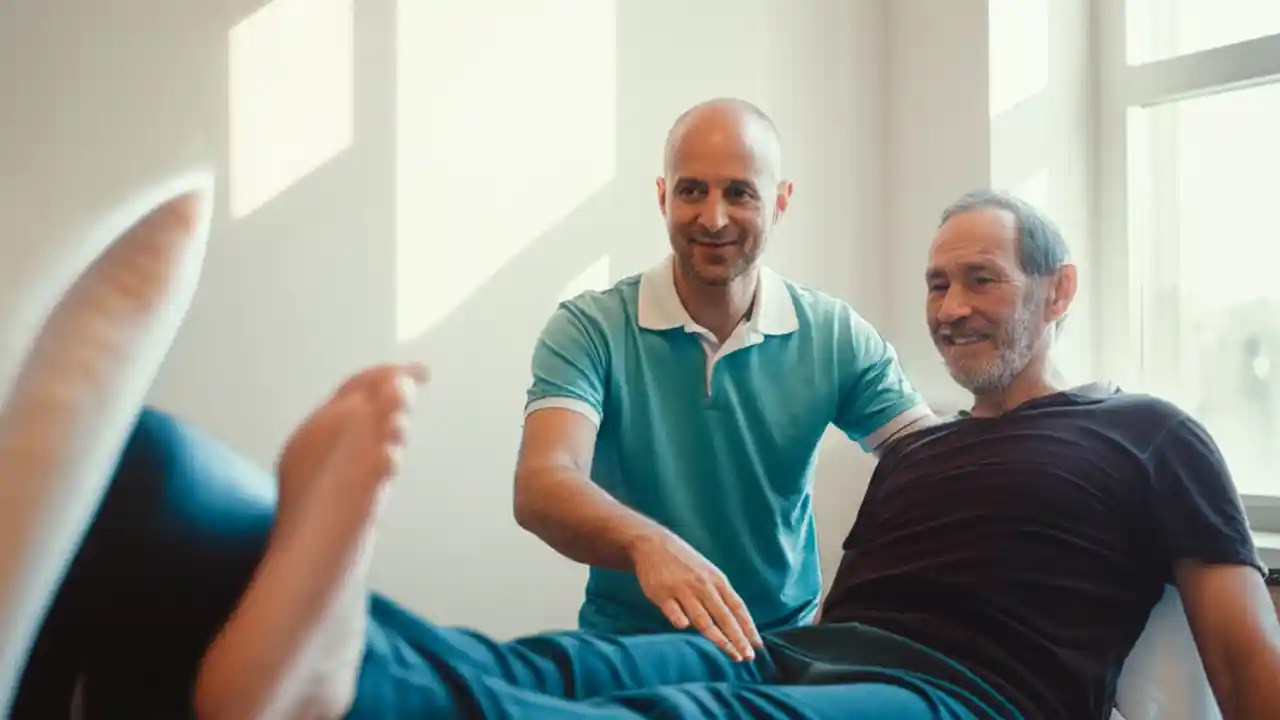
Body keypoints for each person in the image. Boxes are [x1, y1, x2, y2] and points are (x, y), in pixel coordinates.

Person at [13, 190, 1280, 719]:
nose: (947, 309)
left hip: (960, 699)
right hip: (801, 649)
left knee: (692, 718)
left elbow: (1242, 661)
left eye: (981, 281)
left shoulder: (1147, 434)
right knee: (553, 666)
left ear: (1058, 291)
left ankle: (335, 693)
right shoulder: (918, 452)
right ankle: (164, 532)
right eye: (935, 283)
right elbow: (555, 487)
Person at [513, 97, 932, 657]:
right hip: (630, 650)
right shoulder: (590, 327)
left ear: (780, 202)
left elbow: (936, 469)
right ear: (662, 197)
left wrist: (861, 593)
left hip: (781, 652)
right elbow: (542, 484)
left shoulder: (833, 334)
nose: (713, 218)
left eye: (739, 193)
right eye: (692, 191)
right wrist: (647, 544)